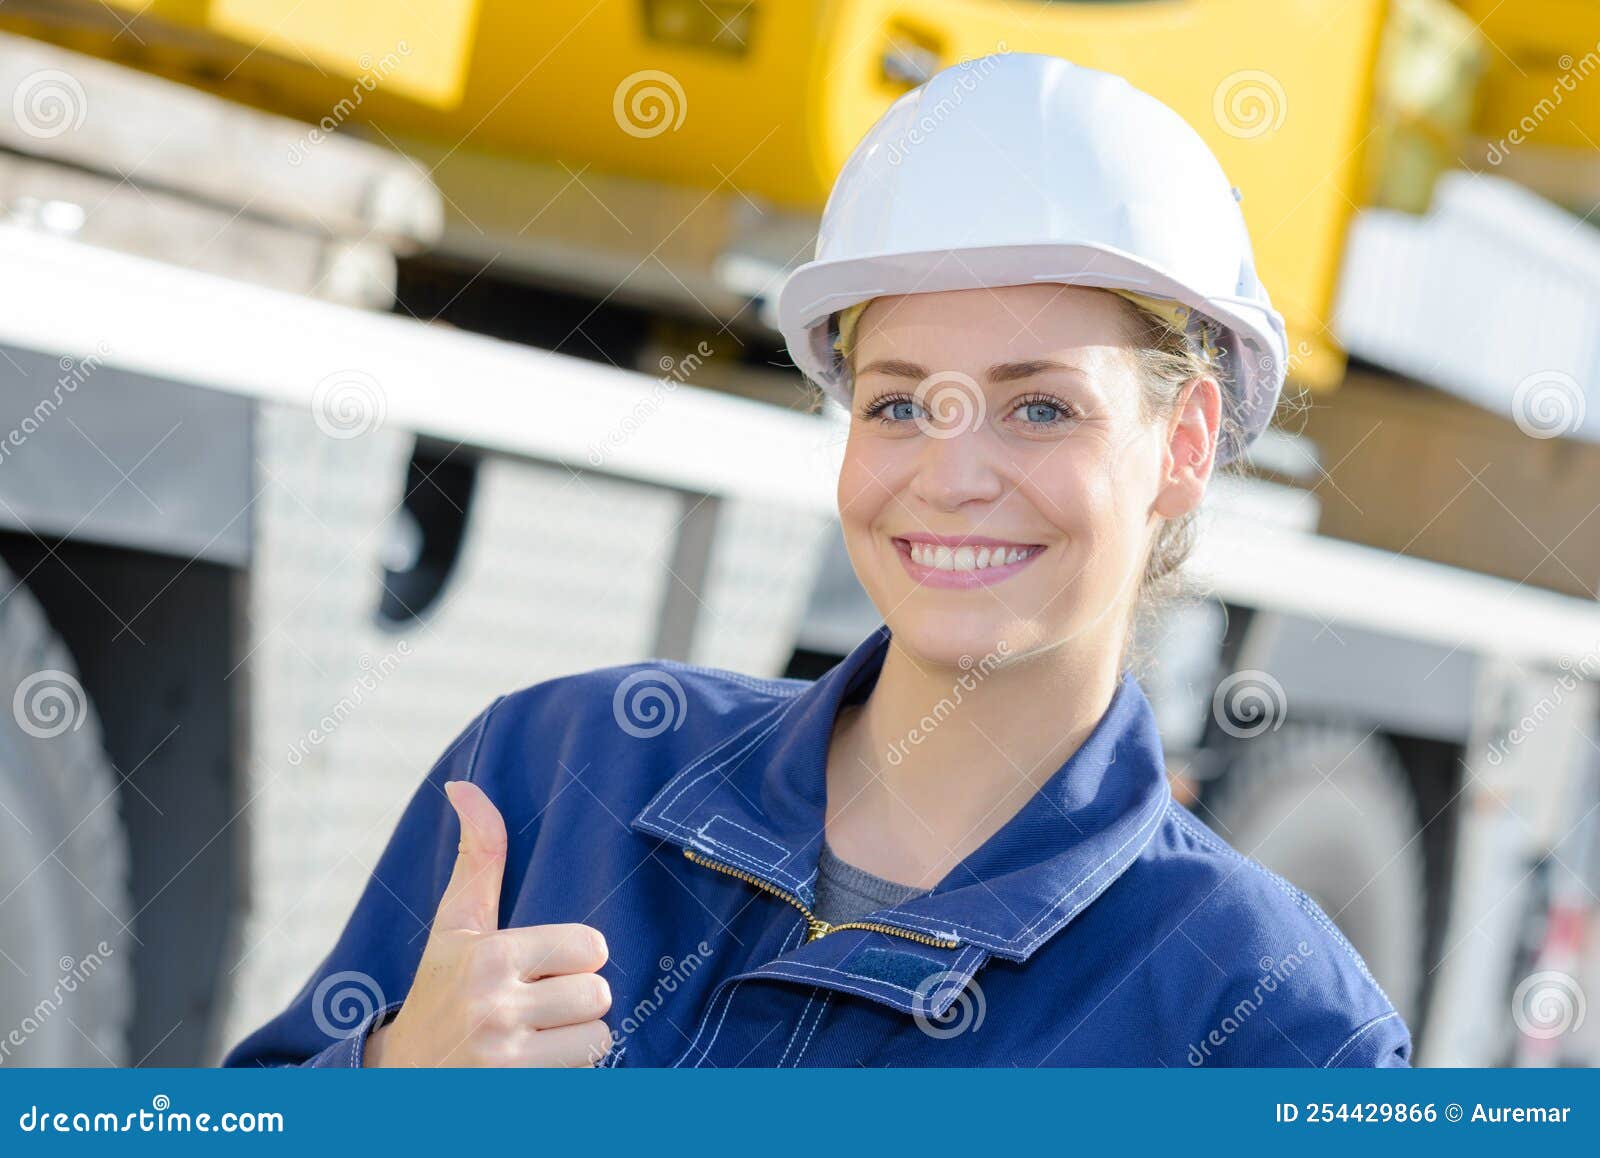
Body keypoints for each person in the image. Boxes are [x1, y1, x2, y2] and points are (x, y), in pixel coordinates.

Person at [223, 51, 1410, 1068]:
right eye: (899, 407)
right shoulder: (557, 774)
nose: (948, 475)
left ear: (1184, 444)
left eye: (1040, 408)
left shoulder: (1268, 1017)